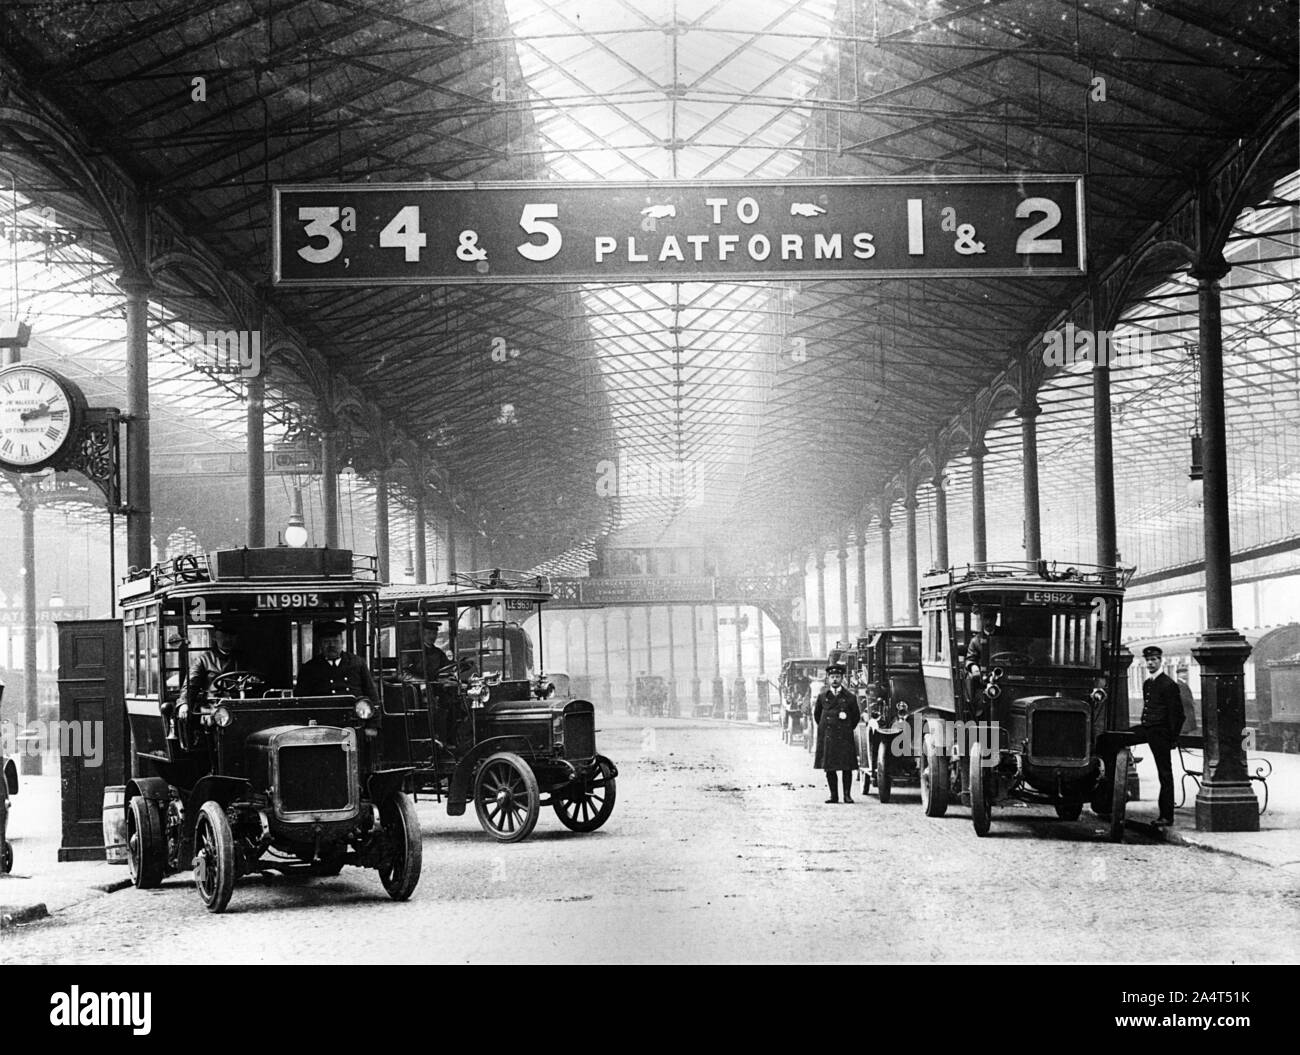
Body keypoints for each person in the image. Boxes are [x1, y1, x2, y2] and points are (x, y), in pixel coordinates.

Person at [814, 662, 861, 803]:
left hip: (844, 737)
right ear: (828, 679)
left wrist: (846, 729)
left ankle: (847, 795)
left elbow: (856, 717)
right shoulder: (822, 697)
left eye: (837, 677)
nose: (835, 679)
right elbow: (817, 716)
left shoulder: (850, 697)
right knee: (830, 768)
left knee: (847, 767)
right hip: (828, 737)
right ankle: (833, 795)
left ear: (842, 679)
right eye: (832, 677)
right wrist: (825, 728)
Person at [184, 620, 258, 708]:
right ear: (215, 638)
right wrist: (184, 704)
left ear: (236, 638)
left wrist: (253, 679)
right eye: (223, 636)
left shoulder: (243, 659)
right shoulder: (203, 659)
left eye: (231, 637)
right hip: (212, 706)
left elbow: (254, 676)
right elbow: (191, 685)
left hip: (238, 704)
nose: (227, 640)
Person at [296, 621, 378, 700]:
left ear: (342, 642)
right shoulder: (309, 669)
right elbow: (301, 700)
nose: (331, 645)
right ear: (320, 644)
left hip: (353, 711)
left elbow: (371, 694)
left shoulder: (357, 663)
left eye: (336, 641)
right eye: (326, 642)